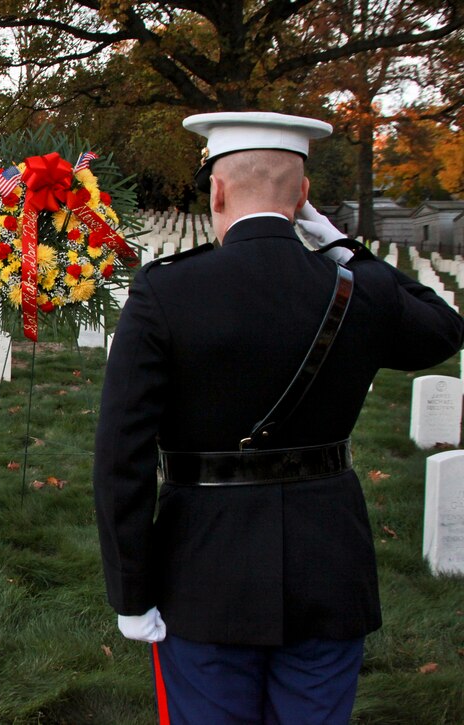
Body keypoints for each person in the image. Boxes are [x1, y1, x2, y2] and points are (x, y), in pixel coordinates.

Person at [93, 111, 464, 724]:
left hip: (204, 571)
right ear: (305, 196)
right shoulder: (357, 288)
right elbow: (442, 329)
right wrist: (343, 245)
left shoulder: (166, 292)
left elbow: (120, 456)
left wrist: (131, 594)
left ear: (216, 190)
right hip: (330, 566)